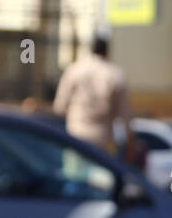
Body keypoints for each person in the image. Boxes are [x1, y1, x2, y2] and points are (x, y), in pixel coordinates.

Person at [52, 31, 136, 164]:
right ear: (107, 50)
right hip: (103, 139)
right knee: (100, 182)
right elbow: (124, 115)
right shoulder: (116, 75)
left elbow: (59, 107)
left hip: (76, 135)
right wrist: (131, 142)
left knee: (74, 180)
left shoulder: (74, 70)